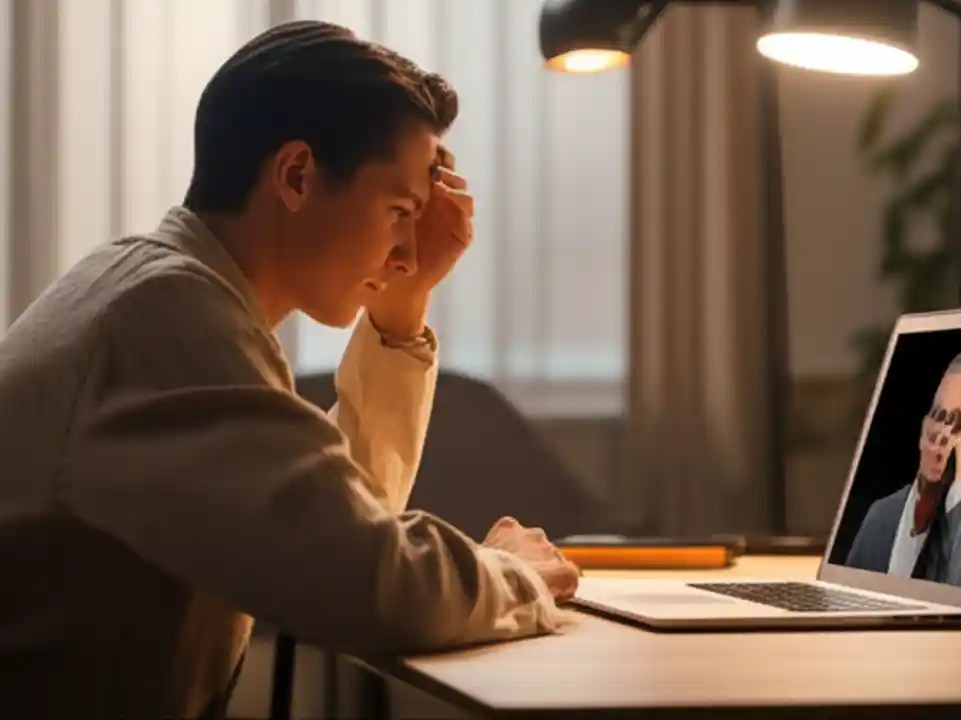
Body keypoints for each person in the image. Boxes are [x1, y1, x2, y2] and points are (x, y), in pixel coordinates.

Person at [0, 21, 579, 718]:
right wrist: (517, 578)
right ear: (297, 175)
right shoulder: (168, 314)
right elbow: (366, 583)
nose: (406, 250)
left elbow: (328, 527)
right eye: (400, 210)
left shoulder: (153, 286)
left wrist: (401, 312)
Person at [845, 351, 961, 588]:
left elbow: (958, 597)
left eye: (956, 425)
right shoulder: (881, 515)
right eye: (938, 416)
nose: (942, 434)